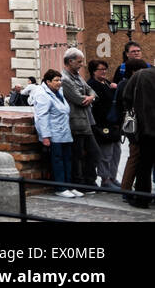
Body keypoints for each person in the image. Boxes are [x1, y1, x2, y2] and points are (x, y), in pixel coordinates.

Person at [33, 69, 79, 198]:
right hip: (54, 134)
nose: (59, 83)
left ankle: (69, 185)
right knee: (57, 161)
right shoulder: (43, 94)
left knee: (68, 160)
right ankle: (60, 187)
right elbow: (41, 116)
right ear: (48, 81)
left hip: (64, 132)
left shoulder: (58, 92)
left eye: (60, 80)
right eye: (56, 80)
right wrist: (45, 136)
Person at [60, 47, 101, 191]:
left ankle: (89, 181)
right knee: (77, 155)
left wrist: (90, 97)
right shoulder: (64, 79)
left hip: (86, 122)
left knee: (94, 152)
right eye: (79, 61)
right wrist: (90, 97)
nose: (82, 64)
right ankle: (80, 184)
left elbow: (92, 92)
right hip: (75, 123)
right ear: (70, 62)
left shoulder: (77, 76)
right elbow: (78, 99)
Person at [122, 63, 155, 209]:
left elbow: (126, 97)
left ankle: (142, 199)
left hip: (145, 128)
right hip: (147, 126)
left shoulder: (141, 75)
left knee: (144, 164)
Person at [117, 59, 149, 201]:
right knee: (135, 158)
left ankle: (128, 189)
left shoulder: (128, 82)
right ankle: (126, 190)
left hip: (135, 126)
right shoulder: (130, 83)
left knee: (136, 158)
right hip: (135, 127)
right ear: (134, 71)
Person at [87, 59, 121, 189]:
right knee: (106, 154)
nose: (104, 71)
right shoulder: (92, 85)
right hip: (102, 125)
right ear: (93, 71)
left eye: (105, 69)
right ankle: (105, 180)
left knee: (116, 152)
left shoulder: (107, 83)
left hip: (114, 124)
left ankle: (113, 177)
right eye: (100, 69)